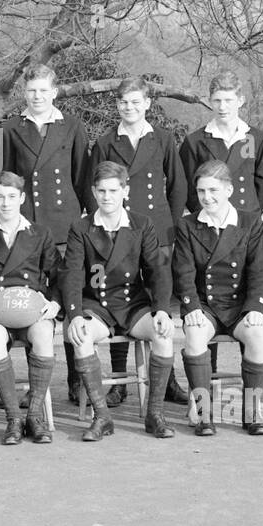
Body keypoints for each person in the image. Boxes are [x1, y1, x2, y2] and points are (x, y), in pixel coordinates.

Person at [89, 76, 189, 407]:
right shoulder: (105, 142)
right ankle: (119, 383)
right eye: (122, 102)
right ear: (115, 105)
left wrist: (170, 226)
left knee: (159, 302)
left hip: (156, 232)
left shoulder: (162, 138)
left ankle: (168, 379)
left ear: (147, 103)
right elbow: (94, 189)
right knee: (116, 297)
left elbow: (177, 185)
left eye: (135, 102)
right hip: (116, 234)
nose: (129, 108)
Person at [61, 162, 175, 442]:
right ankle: (102, 416)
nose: (107, 197)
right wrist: (74, 314)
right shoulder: (81, 227)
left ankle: (155, 414)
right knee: (81, 337)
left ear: (125, 190)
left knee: (163, 333)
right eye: (101, 191)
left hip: (132, 304)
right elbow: (72, 274)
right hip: (97, 305)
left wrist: (161, 309)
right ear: (93, 192)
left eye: (113, 190)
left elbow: (158, 271)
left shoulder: (141, 224)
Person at [0, 64, 91, 403]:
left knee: (68, 302)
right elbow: (6, 179)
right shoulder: (10, 129)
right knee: (29, 303)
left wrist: (85, 221)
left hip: (64, 225)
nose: (37, 97)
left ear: (54, 92)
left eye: (43, 91)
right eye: (31, 91)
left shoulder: (73, 127)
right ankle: (34, 388)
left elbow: (83, 177)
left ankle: (77, 380)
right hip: (27, 228)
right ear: (25, 93)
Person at [0, 172, 62, 444]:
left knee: (42, 335)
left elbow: (58, 274)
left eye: (12, 197)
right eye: (0, 197)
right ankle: (13, 417)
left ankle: (35, 415)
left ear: (22, 198)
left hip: (32, 312)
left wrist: (54, 303)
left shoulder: (40, 233)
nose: (6, 203)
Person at [173, 161, 263, 437]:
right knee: (193, 333)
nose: (207, 198)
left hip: (240, 305)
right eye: (201, 191)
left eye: (213, 190)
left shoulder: (249, 221)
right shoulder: (187, 224)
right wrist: (191, 306)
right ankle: (203, 412)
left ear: (229, 189)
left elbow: (260, 270)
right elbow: (183, 271)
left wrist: (256, 308)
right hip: (206, 305)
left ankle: (252, 411)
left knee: (258, 333)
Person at [178, 71, 263, 216]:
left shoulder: (257, 138)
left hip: (246, 221)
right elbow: (189, 187)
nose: (222, 107)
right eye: (217, 101)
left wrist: (252, 216)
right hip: (209, 221)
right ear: (210, 102)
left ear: (240, 101)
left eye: (228, 100)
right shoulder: (194, 141)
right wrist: (205, 214)